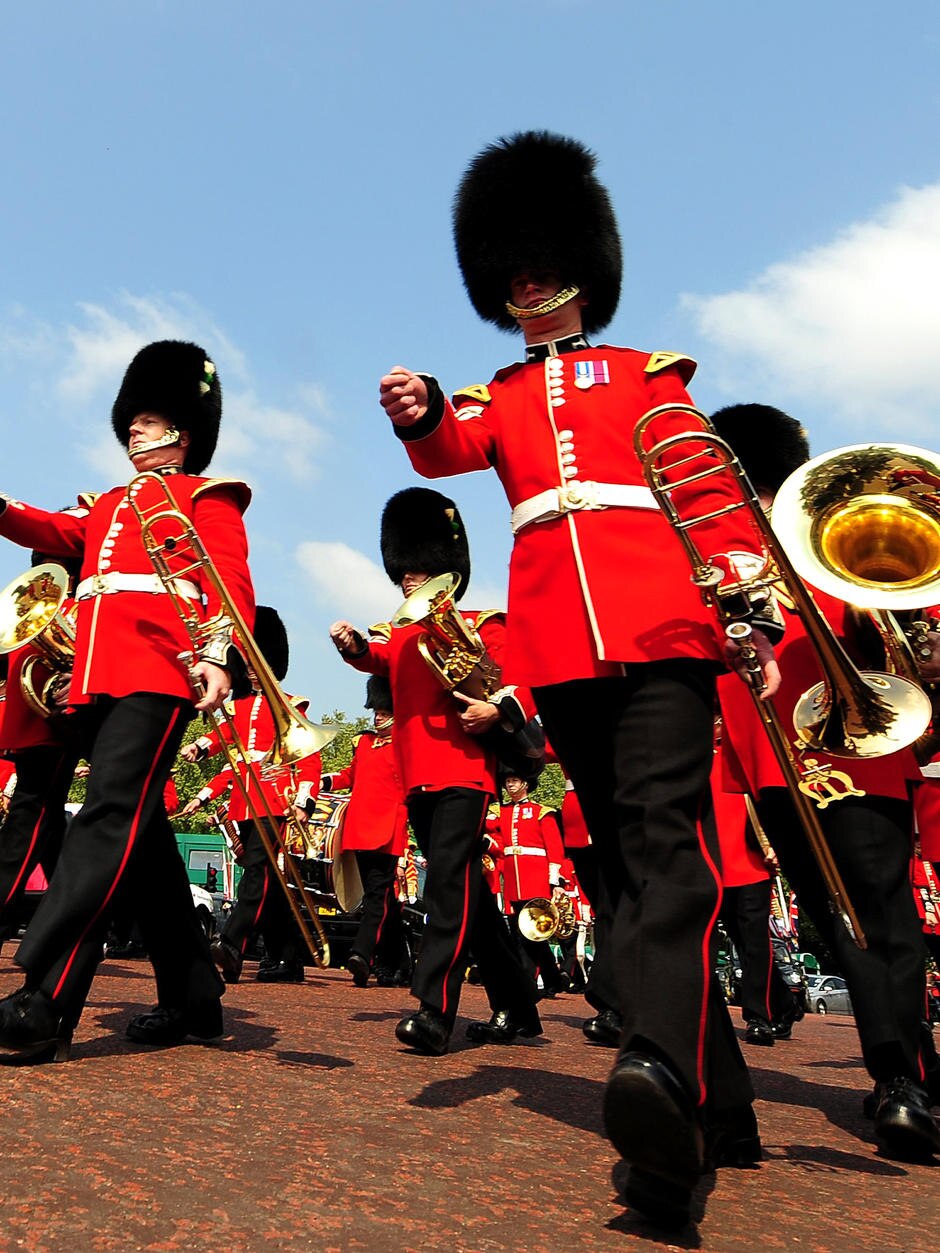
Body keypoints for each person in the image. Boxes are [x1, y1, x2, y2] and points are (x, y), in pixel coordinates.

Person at [377, 132, 778, 1224]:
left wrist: (742, 586)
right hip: (559, 646)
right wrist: (415, 409)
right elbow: (449, 446)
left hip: (659, 627)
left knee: (665, 845)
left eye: (543, 259)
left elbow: (704, 484)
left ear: (583, 269)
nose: (527, 278)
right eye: (509, 267)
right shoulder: (497, 395)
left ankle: (657, 1079)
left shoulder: (645, 375)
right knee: (628, 872)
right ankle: (722, 1102)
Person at [0, 340, 253, 1060]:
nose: (132, 430)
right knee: (140, 838)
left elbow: (228, 581)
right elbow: (52, 532)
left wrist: (215, 655)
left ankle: (46, 998)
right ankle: (194, 990)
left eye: (146, 419)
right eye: (132, 419)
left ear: (183, 428)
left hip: (158, 668)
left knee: (106, 817)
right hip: (95, 673)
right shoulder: (107, 503)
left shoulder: (208, 496)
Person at [712, 402, 940, 1160]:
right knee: (855, 921)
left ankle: (902, 1079)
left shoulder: (820, 527)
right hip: (792, 753)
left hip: (852, 745)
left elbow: (903, 617)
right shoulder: (725, 546)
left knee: (875, 917)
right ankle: (905, 1076)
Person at [330, 487, 541, 1056]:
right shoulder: (398, 631)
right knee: (465, 890)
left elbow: (523, 679)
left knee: (446, 885)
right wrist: (352, 647)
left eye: (418, 570)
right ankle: (519, 1005)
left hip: (466, 772)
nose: (408, 580)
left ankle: (434, 1009)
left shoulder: (483, 623)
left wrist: (497, 709)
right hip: (415, 776)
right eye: (403, 570)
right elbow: (379, 659)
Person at [180, 607, 320, 984]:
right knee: (266, 881)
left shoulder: (291, 705)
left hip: (275, 796)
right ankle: (288, 957)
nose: (254, 670)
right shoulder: (239, 705)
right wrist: (200, 746)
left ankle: (231, 943)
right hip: (245, 797)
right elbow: (227, 737)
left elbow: (308, 757)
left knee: (257, 870)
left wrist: (304, 799)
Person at [315, 676, 411, 988]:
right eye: (376, 709)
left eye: (384, 710)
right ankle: (399, 962)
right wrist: (323, 781)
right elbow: (350, 776)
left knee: (376, 895)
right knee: (383, 898)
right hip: (359, 826)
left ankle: (362, 953)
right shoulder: (365, 743)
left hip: (387, 826)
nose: (378, 714)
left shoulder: (405, 744)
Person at [486, 772, 569, 997]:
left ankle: (530, 982)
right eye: (507, 780)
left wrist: (555, 881)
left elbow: (554, 848)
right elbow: (493, 836)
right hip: (512, 878)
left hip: (536, 876)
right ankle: (552, 977)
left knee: (532, 933)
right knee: (519, 931)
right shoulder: (500, 812)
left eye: (514, 779)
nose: (510, 784)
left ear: (525, 782)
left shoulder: (542, 812)